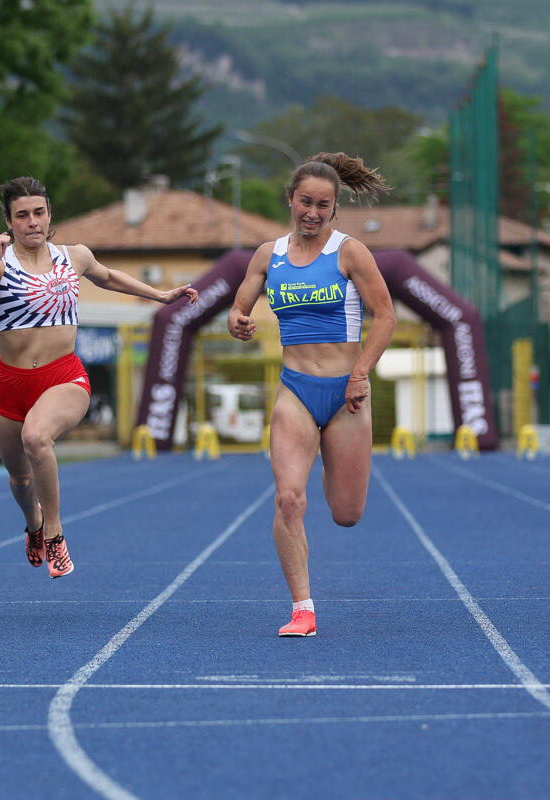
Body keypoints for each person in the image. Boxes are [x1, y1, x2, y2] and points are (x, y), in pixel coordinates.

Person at [0, 176, 198, 579]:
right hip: (10, 383)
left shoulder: (74, 256)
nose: (32, 221)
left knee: (37, 438)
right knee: (18, 476)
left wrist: (159, 295)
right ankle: (33, 524)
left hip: (63, 376)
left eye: (39, 212)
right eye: (22, 215)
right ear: (8, 220)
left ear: (49, 214)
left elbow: (107, 276)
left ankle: (54, 531)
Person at [228, 152, 396, 637]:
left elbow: (385, 317)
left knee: (346, 514)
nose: (313, 213)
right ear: (290, 199)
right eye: (306, 202)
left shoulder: (349, 253)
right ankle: (303, 608)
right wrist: (237, 322)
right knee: (288, 500)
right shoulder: (268, 255)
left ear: (335, 209)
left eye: (324, 205)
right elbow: (239, 309)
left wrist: (362, 371)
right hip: (295, 391)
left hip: (346, 396)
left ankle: (329, 458)